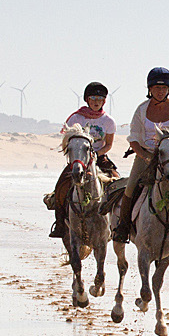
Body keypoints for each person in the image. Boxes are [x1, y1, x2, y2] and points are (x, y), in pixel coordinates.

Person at [110, 67, 169, 243]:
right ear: (150, 89)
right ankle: (122, 227)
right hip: (146, 155)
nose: (160, 92)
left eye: (164, 88)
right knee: (130, 188)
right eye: (156, 88)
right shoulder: (141, 110)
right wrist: (147, 157)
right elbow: (134, 139)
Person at [49, 82, 118, 239]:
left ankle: (117, 225)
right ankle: (59, 223)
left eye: (100, 98)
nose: (96, 101)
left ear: (104, 101)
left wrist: (96, 154)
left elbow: (108, 145)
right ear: (87, 99)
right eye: (93, 98)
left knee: (117, 185)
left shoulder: (108, 121)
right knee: (61, 187)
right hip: (79, 160)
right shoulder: (76, 118)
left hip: (99, 158)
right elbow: (67, 140)